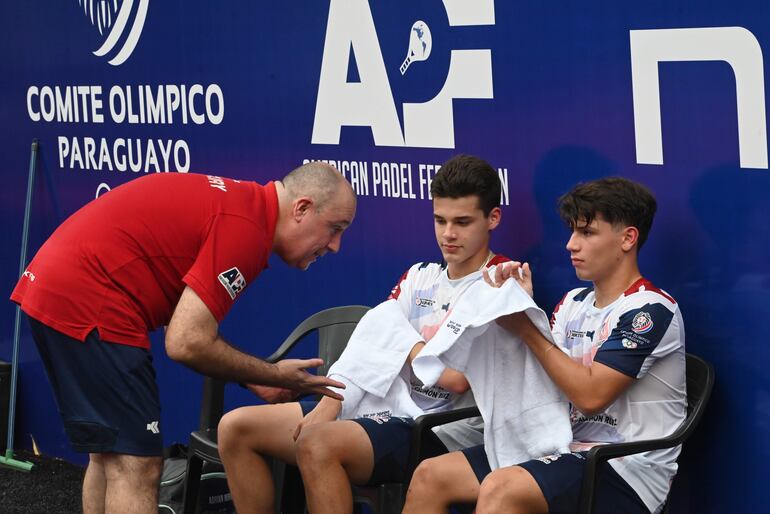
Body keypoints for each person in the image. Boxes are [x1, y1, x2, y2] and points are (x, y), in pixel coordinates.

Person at [9, 162, 356, 514]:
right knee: (137, 465)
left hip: (54, 287)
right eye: (334, 228)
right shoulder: (247, 229)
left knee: (109, 455)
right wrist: (273, 375)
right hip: (91, 299)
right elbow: (186, 341)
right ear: (302, 209)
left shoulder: (245, 207)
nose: (336, 245)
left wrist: (254, 380)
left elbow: (184, 326)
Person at [217, 154, 509, 514]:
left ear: (492, 218)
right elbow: (369, 345)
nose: (448, 234)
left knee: (318, 443)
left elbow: (458, 379)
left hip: (439, 429)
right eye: (440, 220)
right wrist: (332, 400)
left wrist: (401, 342)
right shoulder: (419, 276)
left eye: (462, 222)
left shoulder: (502, 285)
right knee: (236, 428)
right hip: (380, 405)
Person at [402, 177, 686, 514]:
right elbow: (540, 379)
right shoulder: (572, 303)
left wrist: (526, 329)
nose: (571, 244)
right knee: (431, 475)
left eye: (587, 232)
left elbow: (590, 396)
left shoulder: (650, 309)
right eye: (572, 232)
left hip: (626, 468)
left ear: (627, 238)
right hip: (560, 445)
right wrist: (514, 308)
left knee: (502, 488)